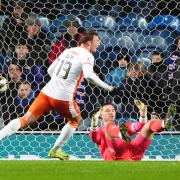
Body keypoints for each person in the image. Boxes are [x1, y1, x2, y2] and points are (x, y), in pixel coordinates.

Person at [0, 30, 113, 160]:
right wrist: (109, 87)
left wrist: (59, 81)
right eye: (97, 41)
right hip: (63, 97)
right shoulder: (87, 56)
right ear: (88, 43)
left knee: (25, 119)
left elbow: (49, 70)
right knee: (76, 120)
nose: (99, 43)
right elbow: (88, 75)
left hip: (47, 91)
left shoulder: (68, 51)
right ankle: (55, 150)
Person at [90, 100, 176, 160]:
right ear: (100, 115)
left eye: (113, 110)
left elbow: (139, 127)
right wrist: (94, 120)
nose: (111, 112)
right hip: (115, 157)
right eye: (107, 111)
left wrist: (143, 114)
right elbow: (94, 136)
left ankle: (165, 123)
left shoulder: (123, 125)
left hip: (133, 150)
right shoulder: (101, 132)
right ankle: (120, 134)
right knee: (109, 127)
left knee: (149, 124)